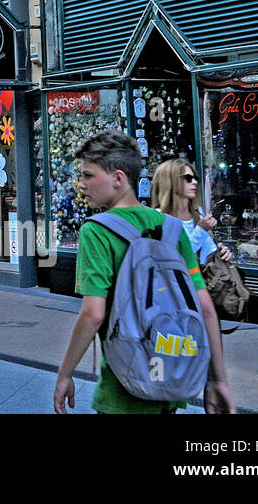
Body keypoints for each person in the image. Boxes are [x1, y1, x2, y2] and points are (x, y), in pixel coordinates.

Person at [53, 131, 235, 414]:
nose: (81, 185)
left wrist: (65, 373)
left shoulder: (97, 231)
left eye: (88, 176)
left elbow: (93, 314)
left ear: (118, 178)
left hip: (122, 392)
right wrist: (218, 381)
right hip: (170, 385)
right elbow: (206, 309)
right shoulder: (171, 228)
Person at [152, 158, 234, 266]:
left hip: (208, 280)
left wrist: (222, 252)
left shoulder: (197, 212)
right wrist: (201, 230)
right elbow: (174, 260)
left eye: (195, 178)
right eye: (188, 178)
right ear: (170, 182)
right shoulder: (158, 217)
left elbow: (206, 252)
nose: (194, 182)